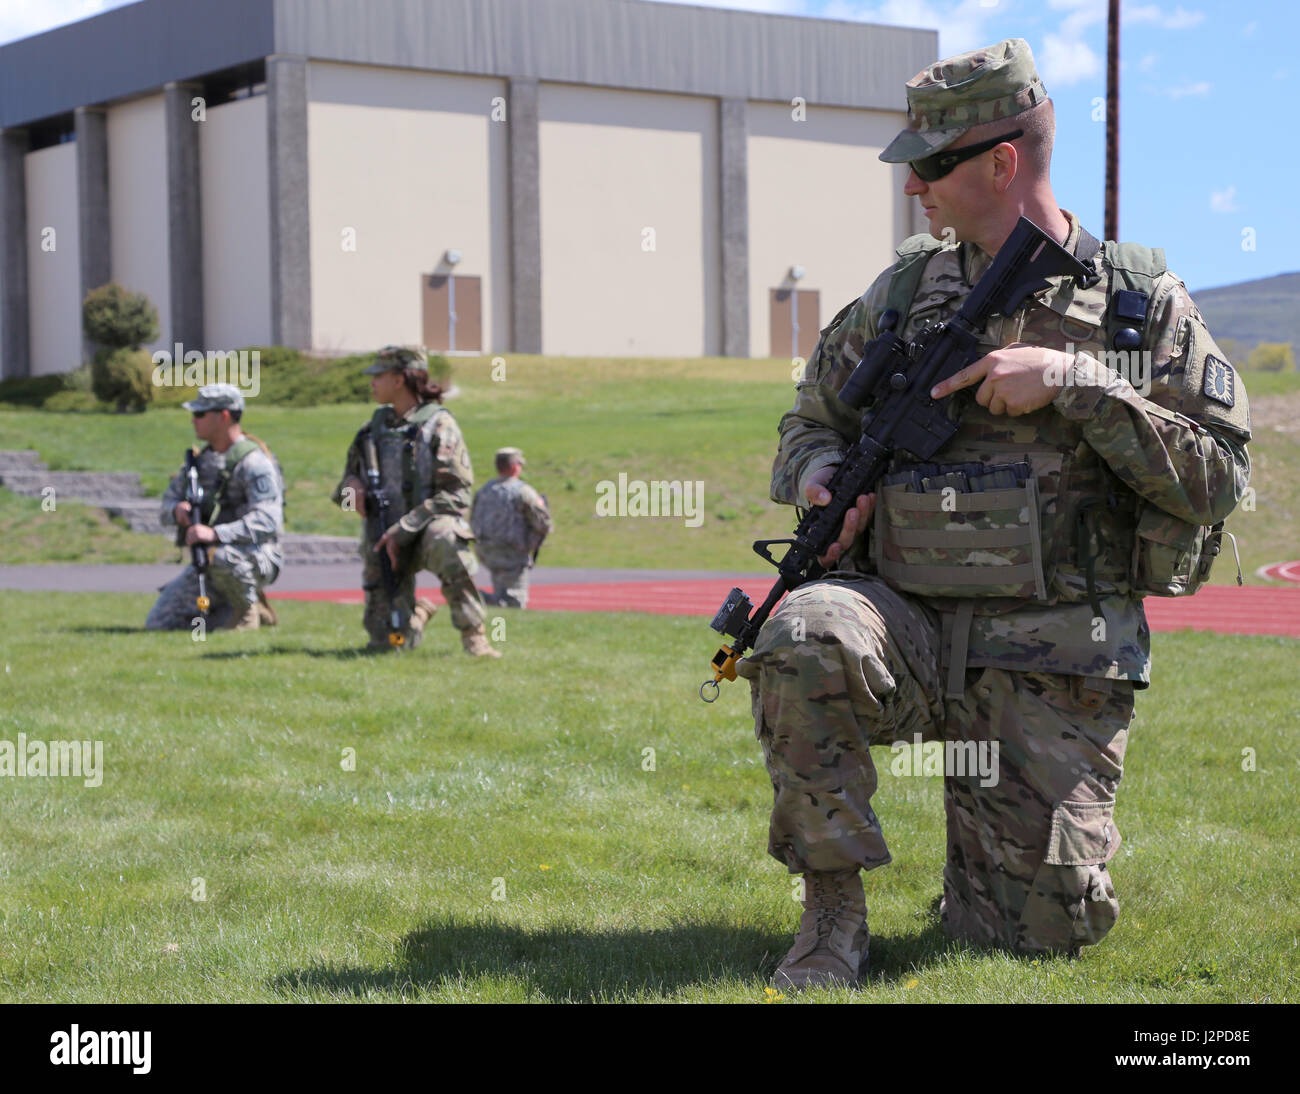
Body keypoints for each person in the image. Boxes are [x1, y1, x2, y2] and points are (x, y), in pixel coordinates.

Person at [737, 38, 1251, 990]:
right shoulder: (900, 296)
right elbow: (809, 422)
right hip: (907, 627)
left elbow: (1220, 477)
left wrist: (1080, 386)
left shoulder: (1141, 308)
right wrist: (818, 479)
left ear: (1001, 162)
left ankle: (992, 870)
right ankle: (833, 912)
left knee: (1033, 938)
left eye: (929, 167)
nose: (912, 190)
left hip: (1055, 652)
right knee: (801, 632)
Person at [332, 345, 500, 657]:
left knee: (448, 539)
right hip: (382, 535)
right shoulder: (371, 431)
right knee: (391, 646)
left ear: (400, 380)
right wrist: (350, 488)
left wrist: (405, 528)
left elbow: (458, 493)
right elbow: (344, 487)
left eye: (378, 376)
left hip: (426, 528)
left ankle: (474, 634)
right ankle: (416, 616)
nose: (371, 382)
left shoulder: (439, 425)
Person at [147, 383, 284, 631]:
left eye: (200, 414)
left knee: (221, 555)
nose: (193, 421)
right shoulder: (198, 462)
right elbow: (165, 506)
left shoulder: (254, 462)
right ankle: (236, 610)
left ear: (223, 416)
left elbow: (269, 520)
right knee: (160, 623)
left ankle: (246, 612)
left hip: (253, 555)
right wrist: (177, 510)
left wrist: (216, 534)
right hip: (209, 562)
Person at [470, 447, 553, 608]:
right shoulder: (523, 492)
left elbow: (473, 520)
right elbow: (544, 523)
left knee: (503, 595)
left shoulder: (484, 491)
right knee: (514, 602)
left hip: (486, 551)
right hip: (512, 554)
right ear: (515, 467)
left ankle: (476, 597)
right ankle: (473, 597)